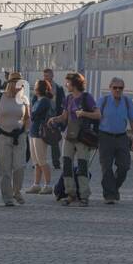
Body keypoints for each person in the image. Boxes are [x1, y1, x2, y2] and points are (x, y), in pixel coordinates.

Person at [48, 72, 99, 206]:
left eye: (68, 83)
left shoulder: (87, 98)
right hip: (69, 136)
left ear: (75, 84)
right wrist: (54, 119)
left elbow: (98, 115)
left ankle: (84, 196)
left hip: (82, 137)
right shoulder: (68, 98)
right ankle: (70, 193)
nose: (66, 85)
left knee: (82, 166)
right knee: (66, 165)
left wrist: (84, 113)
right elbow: (64, 117)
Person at [0, 71, 30, 206]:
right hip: (3, 136)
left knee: (19, 166)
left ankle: (17, 191)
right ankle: (8, 197)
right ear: (10, 84)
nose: (19, 86)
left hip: (19, 136)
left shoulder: (24, 99)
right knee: (5, 169)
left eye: (21, 84)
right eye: (16, 83)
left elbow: (27, 118)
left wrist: (26, 131)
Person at [97, 76, 133, 204]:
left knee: (124, 166)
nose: (117, 90)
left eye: (120, 88)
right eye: (115, 88)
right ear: (110, 88)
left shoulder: (127, 101)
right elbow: (95, 117)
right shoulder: (103, 101)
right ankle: (109, 195)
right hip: (105, 137)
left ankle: (114, 188)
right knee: (106, 167)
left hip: (121, 137)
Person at [27, 79, 55, 194]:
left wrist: (28, 111)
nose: (34, 88)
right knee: (36, 161)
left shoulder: (45, 101)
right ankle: (36, 184)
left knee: (42, 159)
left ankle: (48, 185)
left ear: (39, 89)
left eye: (36, 86)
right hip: (33, 131)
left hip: (40, 132)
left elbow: (33, 115)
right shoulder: (36, 99)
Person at [42, 67, 66, 175]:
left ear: (52, 75)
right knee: (41, 139)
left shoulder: (59, 88)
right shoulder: (41, 88)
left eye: (48, 76)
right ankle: (40, 161)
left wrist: (61, 119)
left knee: (54, 140)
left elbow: (62, 104)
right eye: (45, 76)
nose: (46, 78)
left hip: (54, 117)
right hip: (43, 117)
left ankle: (56, 162)